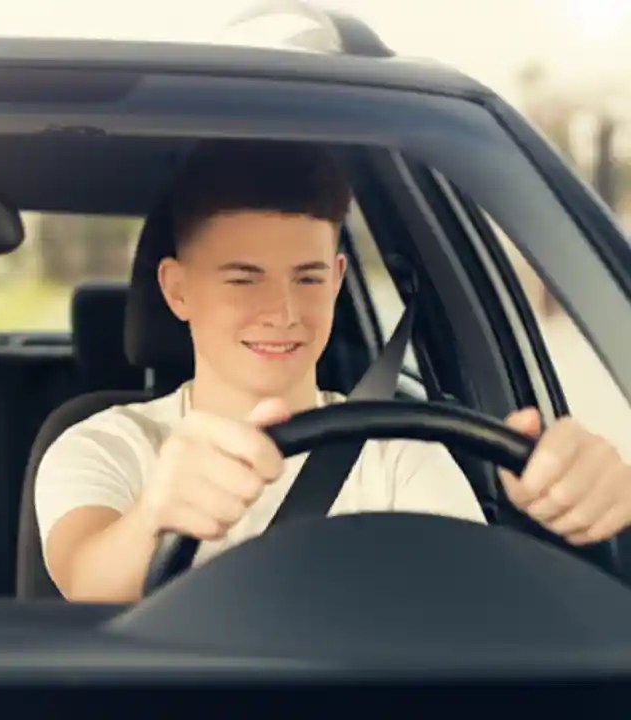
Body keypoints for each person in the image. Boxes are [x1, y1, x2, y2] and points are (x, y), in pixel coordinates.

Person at [35, 140, 631, 603]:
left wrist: (567, 516)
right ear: (177, 289)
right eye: (244, 278)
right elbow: (85, 579)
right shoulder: (106, 444)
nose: (285, 313)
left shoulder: (400, 448)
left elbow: (475, 604)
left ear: (339, 277)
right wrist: (155, 515)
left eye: (309, 277)